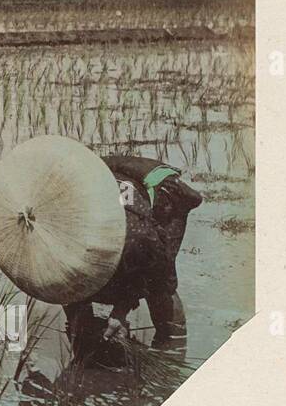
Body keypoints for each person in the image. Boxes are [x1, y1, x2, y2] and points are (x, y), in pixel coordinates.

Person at [64, 154, 203, 359]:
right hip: (108, 185)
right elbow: (64, 283)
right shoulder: (59, 229)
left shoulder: (133, 233)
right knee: (72, 284)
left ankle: (171, 344)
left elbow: (154, 262)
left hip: (163, 198)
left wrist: (120, 311)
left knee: (160, 283)